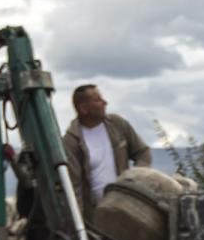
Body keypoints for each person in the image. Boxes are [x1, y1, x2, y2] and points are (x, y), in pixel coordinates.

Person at [62, 84, 153, 216]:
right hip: (96, 214)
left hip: (127, 206)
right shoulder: (71, 141)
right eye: (98, 100)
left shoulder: (117, 124)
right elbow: (75, 186)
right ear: (83, 109)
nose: (105, 103)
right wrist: (80, 223)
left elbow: (143, 152)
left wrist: (135, 178)